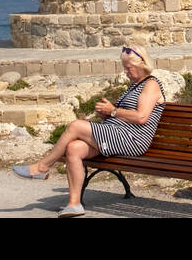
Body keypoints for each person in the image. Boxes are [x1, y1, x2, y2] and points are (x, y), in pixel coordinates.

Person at [12, 45, 165, 216]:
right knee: (73, 148)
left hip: (133, 140)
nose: (125, 72)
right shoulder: (134, 85)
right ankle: (74, 204)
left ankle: (42, 167)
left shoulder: (151, 84)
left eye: (128, 68)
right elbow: (125, 117)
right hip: (118, 135)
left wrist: (113, 111)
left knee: (75, 126)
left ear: (141, 64)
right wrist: (107, 115)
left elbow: (141, 117)